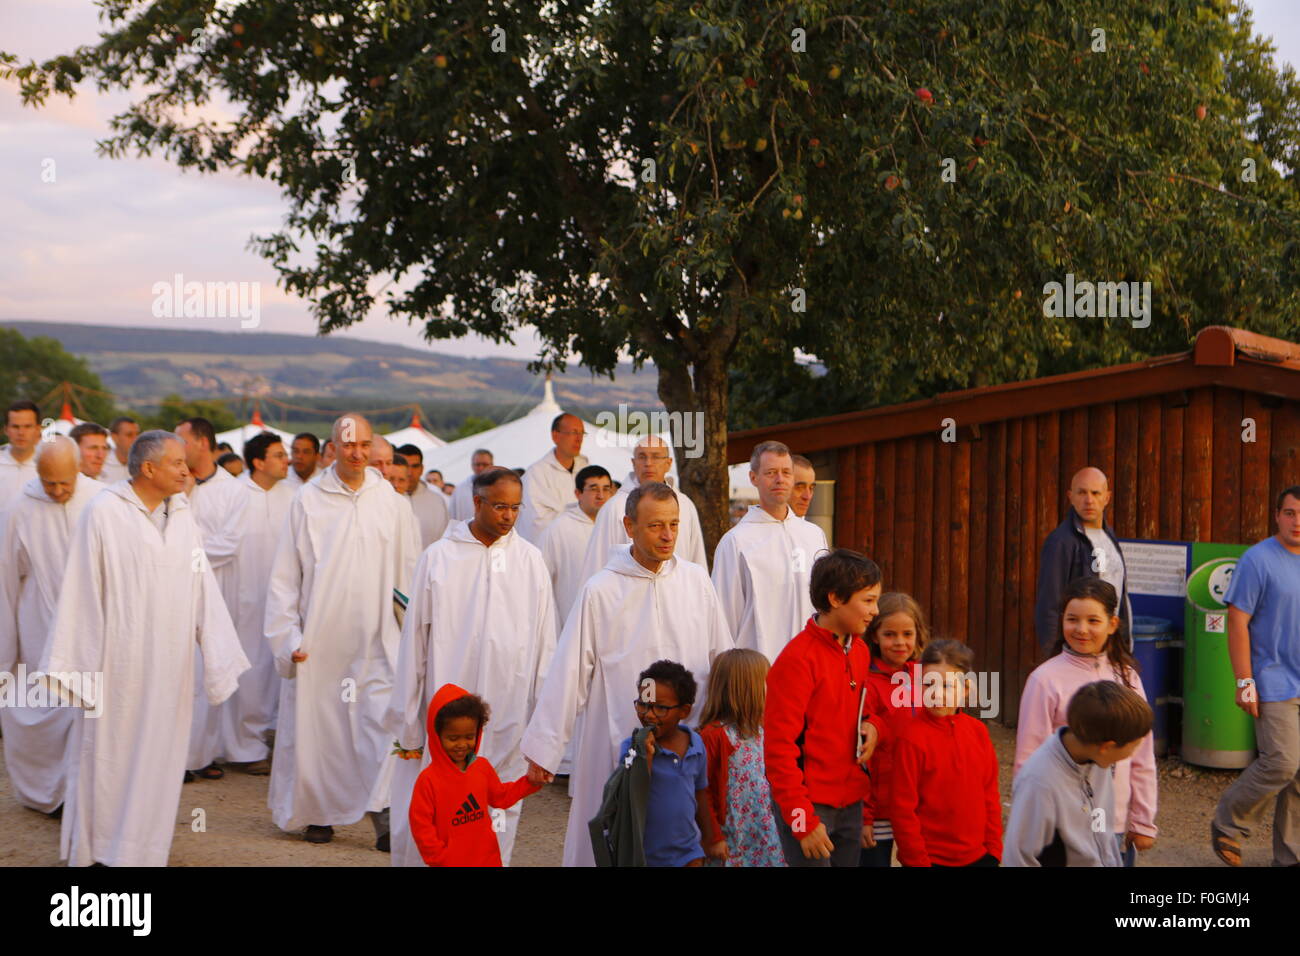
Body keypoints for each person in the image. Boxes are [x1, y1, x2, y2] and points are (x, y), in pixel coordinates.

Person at [41, 430, 248, 866]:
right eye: (176, 462)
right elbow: (82, 589)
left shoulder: (184, 516)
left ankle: (141, 854)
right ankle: (98, 851)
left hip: (171, 667)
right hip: (116, 664)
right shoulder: (104, 514)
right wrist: (79, 670)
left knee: (161, 758)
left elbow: (202, 586)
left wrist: (217, 657)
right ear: (148, 468)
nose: (186, 470)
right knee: (109, 757)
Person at [521, 482, 733, 867]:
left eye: (673, 524)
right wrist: (546, 747)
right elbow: (569, 672)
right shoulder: (601, 590)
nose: (668, 535)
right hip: (615, 733)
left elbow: (721, 657)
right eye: (655, 526)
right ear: (629, 526)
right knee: (617, 837)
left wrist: (731, 723)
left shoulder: (696, 581)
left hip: (685, 742)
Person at [385, 466, 558, 867]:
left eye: (516, 508)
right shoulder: (439, 558)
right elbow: (415, 644)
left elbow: (546, 646)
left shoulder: (530, 561)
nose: (509, 517)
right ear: (477, 503)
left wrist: (542, 724)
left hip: (509, 706)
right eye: (500, 506)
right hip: (447, 710)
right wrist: (409, 723)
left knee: (499, 808)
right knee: (440, 807)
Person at [264, 414, 420, 846]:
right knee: (322, 730)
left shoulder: (391, 502)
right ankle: (319, 813)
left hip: (378, 639)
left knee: (381, 723)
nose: (357, 454)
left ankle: (385, 813)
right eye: (347, 446)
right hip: (321, 643)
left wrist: (410, 636)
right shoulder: (308, 501)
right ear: (332, 448)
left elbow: (409, 575)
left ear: (372, 447)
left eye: (364, 445)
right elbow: (284, 576)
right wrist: (288, 637)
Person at [1016, 576, 1158, 866]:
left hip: (1116, 823)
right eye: (1072, 619)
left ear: (1112, 624)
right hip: (1064, 824)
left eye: (1093, 620)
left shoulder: (1128, 678)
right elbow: (1027, 760)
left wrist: (1143, 819)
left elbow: (1142, 754)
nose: (1081, 629)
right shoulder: (1044, 681)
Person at [764, 549, 888, 866]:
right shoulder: (796, 661)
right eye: (868, 600)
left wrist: (873, 726)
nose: (876, 610)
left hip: (851, 802)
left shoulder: (859, 650)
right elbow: (778, 748)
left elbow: (862, 709)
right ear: (835, 598)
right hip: (810, 806)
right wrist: (801, 819)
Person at [0, 438, 102, 816]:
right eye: (49, 483)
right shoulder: (19, 508)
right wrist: (4, 651)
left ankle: (82, 792)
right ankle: (46, 791)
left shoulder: (101, 499)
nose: (58, 492)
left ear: (78, 471)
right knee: (39, 703)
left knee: (86, 708)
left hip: (90, 623)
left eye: (65, 483)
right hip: (39, 621)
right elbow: (6, 577)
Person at [1212, 486, 1300, 868]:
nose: (1297, 521)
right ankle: (1228, 823)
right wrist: (1244, 681)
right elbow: (1237, 621)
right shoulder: (1258, 559)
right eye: (1290, 513)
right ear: (1277, 515)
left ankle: (1290, 857)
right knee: (1282, 762)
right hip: (1274, 677)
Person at [1004, 681, 1152, 867]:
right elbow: (1018, 858)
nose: (1135, 752)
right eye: (1135, 745)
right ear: (1107, 747)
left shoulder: (1096, 759)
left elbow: (1102, 835)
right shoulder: (1039, 784)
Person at [176, 416, 249, 782]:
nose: (176, 449)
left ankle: (201, 754)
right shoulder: (174, 485)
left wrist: (186, 545)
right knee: (177, 672)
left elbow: (228, 545)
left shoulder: (233, 491)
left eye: (182, 441)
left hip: (217, 591)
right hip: (174, 592)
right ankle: (176, 755)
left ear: (202, 443)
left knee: (209, 672)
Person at [217, 432, 295, 774]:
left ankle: (272, 740)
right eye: (278, 455)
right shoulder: (236, 495)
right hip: (244, 598)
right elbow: (220, 545)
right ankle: (244, 748)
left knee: (279, 670)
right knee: (250, 674)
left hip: (283, 600)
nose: (286, 460)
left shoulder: (294, 497)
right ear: (259, 462)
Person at [712, 441, 828, 663]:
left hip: (810, 665)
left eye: (786, 472)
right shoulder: (736, 542)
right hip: (759, 670)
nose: (780, 480)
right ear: (754, 478)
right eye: (771, 473)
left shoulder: (814, 536)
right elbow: (723, 620)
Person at [890, 639, 1002, 867]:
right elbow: (903, 810)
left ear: (966, 688)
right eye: (928, 684)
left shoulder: (978, 732)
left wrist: (994, 850)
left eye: (947, 685)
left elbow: (989, 794)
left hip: (979, 857)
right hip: (931, 860)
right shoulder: (911, 738)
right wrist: (918, 862)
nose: (936, 694)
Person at [407, 684, 543, 867]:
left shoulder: (481, 768)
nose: (462, 744)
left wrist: (530, 782)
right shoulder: (428, 780)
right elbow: (421, 826)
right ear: (436, 735)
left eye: (469, 736)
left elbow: (501, 797)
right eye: (453, 738)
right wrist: (441, 859)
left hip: (487, 860)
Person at [612, 660, 711, 867]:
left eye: (660, 708)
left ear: (684, 711)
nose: (649, 714)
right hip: (645, 857)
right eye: (643, 704)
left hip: (689, 853)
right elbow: (629, 799)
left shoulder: (696, 744)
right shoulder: (631, 747)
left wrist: (711, 839)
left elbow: (700, 793)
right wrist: (644, 759)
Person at [577, 435, 706, 584]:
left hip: (678, 596)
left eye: (656, 457)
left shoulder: (685, 505)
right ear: (633, 462)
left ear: (668, 463)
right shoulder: (614, 508)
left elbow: (697, 559)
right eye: (642, 457)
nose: (648, 463)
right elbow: (597, 566)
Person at [697, 648, 785, 867]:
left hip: (766, 834)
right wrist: (713, 838)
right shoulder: (714, 736)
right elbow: (702, 791)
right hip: (733, 840)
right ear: (748, 689)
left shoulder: (763, 731)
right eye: (767, 682)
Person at [861, 592, 930, 867]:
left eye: (907, 633)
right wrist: (864, 815)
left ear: (917, 634)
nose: (900, 642)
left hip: (918, 805)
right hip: (879, 809)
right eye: (890, 634)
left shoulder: (926, 680)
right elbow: (859, 758)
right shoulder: (867, 684)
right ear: (875, 636)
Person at [1034, 467, 1133, 651]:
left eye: (1096, 493)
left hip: (1111, 645)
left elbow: (1120, 593)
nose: (1089, 500)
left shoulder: (1108, 535)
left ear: (1107, 497)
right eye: (1082, 492)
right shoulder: (1061, 541)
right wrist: (1053, 655)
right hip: (1079, 646)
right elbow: (1049, 604)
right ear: (1070, 496)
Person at [538, 464, 613, 621]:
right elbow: (541, 582)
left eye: (606, 489)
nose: (601, 495)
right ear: (578, 493)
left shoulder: (617, 526)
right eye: (593, 489)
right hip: (571, 618)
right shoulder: (558, 529)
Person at [518, 413, 590, 544]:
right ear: (555, 436)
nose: (579, 439)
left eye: (582, 433)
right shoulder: (536, 473)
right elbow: (535, 521)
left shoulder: (585, 468)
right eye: (573, 433)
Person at [397, 444, 450, 550]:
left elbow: (445, 540)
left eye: (415, 466)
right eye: (406, 466)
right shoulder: (386, 499)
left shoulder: (437, 501)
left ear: (422, 469)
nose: (410, 473)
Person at [0, 400, 40, 507]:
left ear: (37, 429)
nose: (21, 433)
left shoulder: (47, 464)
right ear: (6, 429)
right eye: (15, 427)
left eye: (27, 426)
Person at [449, 449, 494, 521]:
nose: (481, 468)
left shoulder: (499, 487)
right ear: (472, 465)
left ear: (492, 465)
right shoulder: (460, 489)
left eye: (485, 464)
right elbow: (452, 516)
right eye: (477, 464)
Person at [99, 416, 139, 484]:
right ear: (114, 437)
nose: (136, 439)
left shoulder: (141, 467)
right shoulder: (100, 463)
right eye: (129, 435)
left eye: (137, 434)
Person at [790, 454, 817, 519]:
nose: (807, 497)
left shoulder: (813, 529)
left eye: (811, 488)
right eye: (800, 488)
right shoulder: (761, 527)